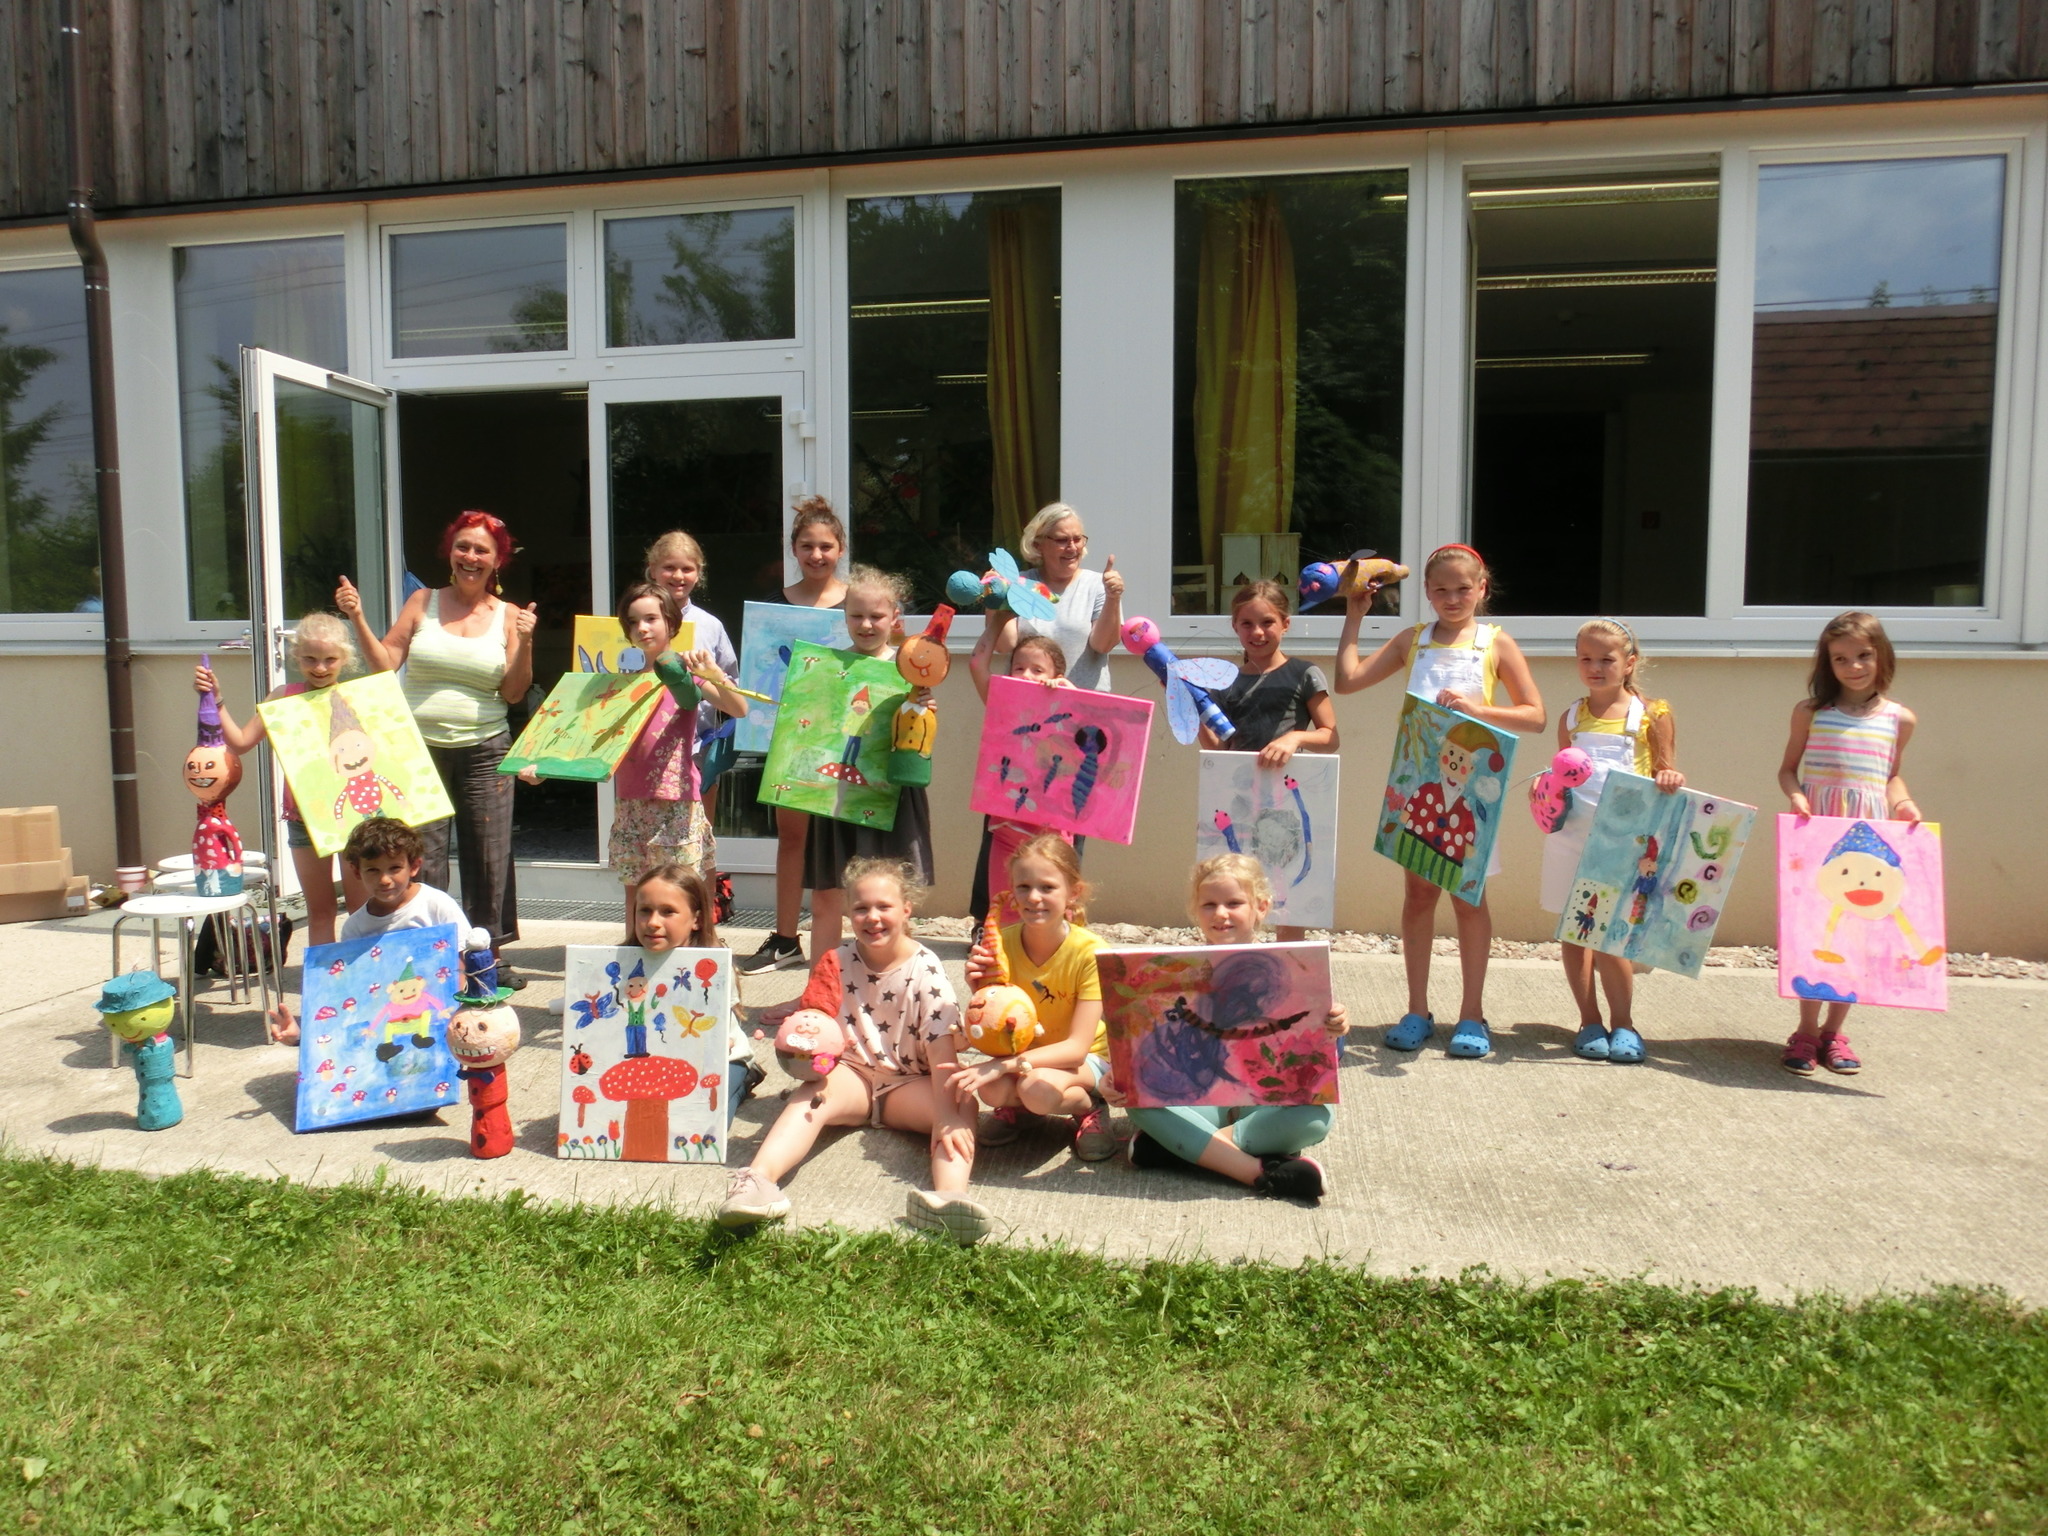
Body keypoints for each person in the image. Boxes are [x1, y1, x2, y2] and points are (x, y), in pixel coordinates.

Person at [1333, 543, 1545, 1059]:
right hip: (1418, 784)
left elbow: (1535, 714)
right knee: (1419, 896)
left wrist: (1480, 709)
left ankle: (1472, 1013)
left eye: (1463, 588)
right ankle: (1417, 1009)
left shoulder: (1496, 643)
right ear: (1426, 593)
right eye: (1441, 589)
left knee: (1469, 899)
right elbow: (1347, 681)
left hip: (1474, 793)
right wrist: (1354, 618)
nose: (1452, 598)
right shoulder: (1414, 641)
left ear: (1482, 589)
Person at [717, 858, 987, 1244]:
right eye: (861, 908)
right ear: (848, 912)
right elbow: (815, 1018)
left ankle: (948, 1199)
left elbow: (942, 1047)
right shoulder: (836, 961)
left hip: (909, 1084)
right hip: (852, 1077)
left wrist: (945, 1115)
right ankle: (758, 1182)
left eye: (884, 907)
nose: (872, 917)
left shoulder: (926, 968)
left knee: (961, 1103)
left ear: (906, 910)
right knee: (810, 1095)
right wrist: (802, 1049)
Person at [361, 511, 536, 986]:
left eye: (481, 550)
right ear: (450, 553)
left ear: (497, 560)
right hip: (418, 751)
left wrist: (526, 640)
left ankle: (486, 960)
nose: (471, 557)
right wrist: (357, 618)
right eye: (463, 547)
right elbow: (384, 664)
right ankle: (431, 956)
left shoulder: (509, 615)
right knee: (424, 858)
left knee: (488, 858)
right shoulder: (422, 602)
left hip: (486, 748)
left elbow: (515, 692)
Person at [1112, 854, 1344, 1202]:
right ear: (1195, 911)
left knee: (1316, 1117)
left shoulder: (1293, 969)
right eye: (1209, 905)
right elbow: (1145, 1047)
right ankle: (1261, 1171)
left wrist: (1337, 1026)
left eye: (1234, 903)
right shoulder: (1174, 974)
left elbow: (1321, 1059)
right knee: (1140, 1104)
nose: (1221, 914)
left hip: (1264, 1104)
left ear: (1261, 906)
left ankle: (1178, 1149)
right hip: (1199, 1099)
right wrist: (1119, 1077)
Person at [1775, 611, 1923, 1077]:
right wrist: (1797, 795)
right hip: (1819, 837)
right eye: (1841, 658)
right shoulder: (1811, 713)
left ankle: (1833, 1033)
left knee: (1855, 937)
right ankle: (1804, 1029)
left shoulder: (1900, 718)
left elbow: (1891, 776)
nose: (1853, 666)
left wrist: (1904, 805)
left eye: (1863, 655)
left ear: (1881, 656)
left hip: (1868, 842)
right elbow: (1787, 768)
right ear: (1827, 663)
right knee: (1816, 935)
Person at [1535, 619, 1684, 1065]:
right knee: (1574, 928)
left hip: (1624, 840)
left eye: (1607, 659)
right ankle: (1589, 1020)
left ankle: (1625, 1023)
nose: (1595, 667)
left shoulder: (1652, 714)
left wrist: (1670, 777)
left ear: (1629, 662)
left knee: (1611, 934)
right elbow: (1563, 773)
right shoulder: (1570, 716)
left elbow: (1666, 770)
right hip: (1571, 836)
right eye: (1586, 658)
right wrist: (1544, 790)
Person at [193, 599, 371, 947]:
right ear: (295, 657)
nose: (320, 667)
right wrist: (216, 699)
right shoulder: (283, 697)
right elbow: (242, 741)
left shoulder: (359, 698)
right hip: (303, 816)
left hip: (354, 816)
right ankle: (323, 987)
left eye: (330, 659)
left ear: (345, 659)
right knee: (320, 911)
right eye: (310, 659)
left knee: (360, 908)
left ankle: (360, 985)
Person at [949, 833, 1115, 1161]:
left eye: (1047, 887)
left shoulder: (1091, 953)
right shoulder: (1002, 946)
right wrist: (980, 992)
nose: (1033, 897)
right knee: (991, 1088)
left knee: (1034, 1088)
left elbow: (1076, 1048)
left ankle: (1089, 1108)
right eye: (1023, 887)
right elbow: (998, 1029)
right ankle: (1024, 1111)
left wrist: (1002, 1066)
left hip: (1087, 1060)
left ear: (1073, 893)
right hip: (1030, 1054)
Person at [799, 564, 934, 956]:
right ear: (843, 617)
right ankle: (819, 994)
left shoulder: (910, 669)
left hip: (889, 799)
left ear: (895, 618)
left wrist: (924, 709)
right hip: (835, 799)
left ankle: (899, 988)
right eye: (856, 615)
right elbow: (810, 728)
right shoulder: (827, 668)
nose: (866, 624)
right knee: (826, 896)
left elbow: (920, 743)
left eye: (876, 615)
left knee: (893, 898)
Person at [1202, 578, 1340, 942]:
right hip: (1239, 799)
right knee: (1234, 889)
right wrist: (1196, 712)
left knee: (1287, 891)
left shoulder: (1305, 674)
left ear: (1286, 623)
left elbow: (1329, 735)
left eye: (1267, 622)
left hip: (1286, 801)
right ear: (1235, 626)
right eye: (1247, 623)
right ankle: (1238, 968)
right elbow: (1219, 748)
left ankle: (1290, 976)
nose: (1257, 632)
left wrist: (1295, 737)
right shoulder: (1224, 683)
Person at [744, 497, 850, 975]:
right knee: (792, 838)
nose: (816, 555)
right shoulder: (773, 607)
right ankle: (786, 938)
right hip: (787, 738)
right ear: (793, 548)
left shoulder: (858, 604)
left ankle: (840, 942)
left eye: (826, 546)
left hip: (846, 740)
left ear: (841, 549)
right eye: (807, 545)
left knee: (840, 843)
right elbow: (760, 672)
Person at [609, 581, 751, 936]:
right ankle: (635, 956)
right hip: (632, 803)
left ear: (671, 624)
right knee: (638, 893)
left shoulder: (684, 673)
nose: (642, 628)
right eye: (632, 621)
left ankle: (702, 956)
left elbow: (739, 708)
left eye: (651, 619)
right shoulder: (619, 681)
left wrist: (712, 674)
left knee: (684, 893)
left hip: (677, 804)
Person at [263, 817, 466, 1044]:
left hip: (441, 1014)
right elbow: (351, 989)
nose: (385, 879)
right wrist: (305, 1035)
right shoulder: (356, 927)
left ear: (415, 866)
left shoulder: (436, 905)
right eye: (372, 870)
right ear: (356, 872)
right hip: (387, 1017)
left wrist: (456, 1009)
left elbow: (464, 957)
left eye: (395, 868)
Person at [631, 861, 766, 1129]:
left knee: (703, 1122)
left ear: (697, 919)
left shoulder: (712, 967)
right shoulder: (624, 964)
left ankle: (744, 1079)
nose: (653, 922)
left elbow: (716, 1039)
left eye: (668, 912)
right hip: (656, 1060)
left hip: (722, 1058)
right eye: (645, 911)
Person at [965, 634, 1073, 926]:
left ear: (1055, 676)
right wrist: (998, 620)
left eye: (1038, 670)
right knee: (1004, 910)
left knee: (1056, 908)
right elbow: (977, 664)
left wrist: (1068, 691)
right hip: (1006, 831)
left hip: (1051, 833)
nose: (1026, 675)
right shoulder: (1003, 702)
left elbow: (1087, 723)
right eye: (1018, 668)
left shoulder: (1066, 707)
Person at [970, 502, 1125, 691]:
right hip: (1029, 708)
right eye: (1062, 540)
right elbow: (1004, 645)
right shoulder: (1017, 585)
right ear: (1038, 545)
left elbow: (1103, 645)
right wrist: (993, 598)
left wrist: (1113, 597)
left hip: (1084, 709)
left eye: (1077, 539)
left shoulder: (1098, 586)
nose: (1072, 547)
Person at [645, 530, 742, 825]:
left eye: (687, 568)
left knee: (699, 834)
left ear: (699, 574)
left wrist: (710, 674)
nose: (678, 575)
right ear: (652, 572)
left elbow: (732, 685)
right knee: (651, 831)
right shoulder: (637, 620)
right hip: (647, 745)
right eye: (669, 568)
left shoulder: (709, 625)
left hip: (697, 747)